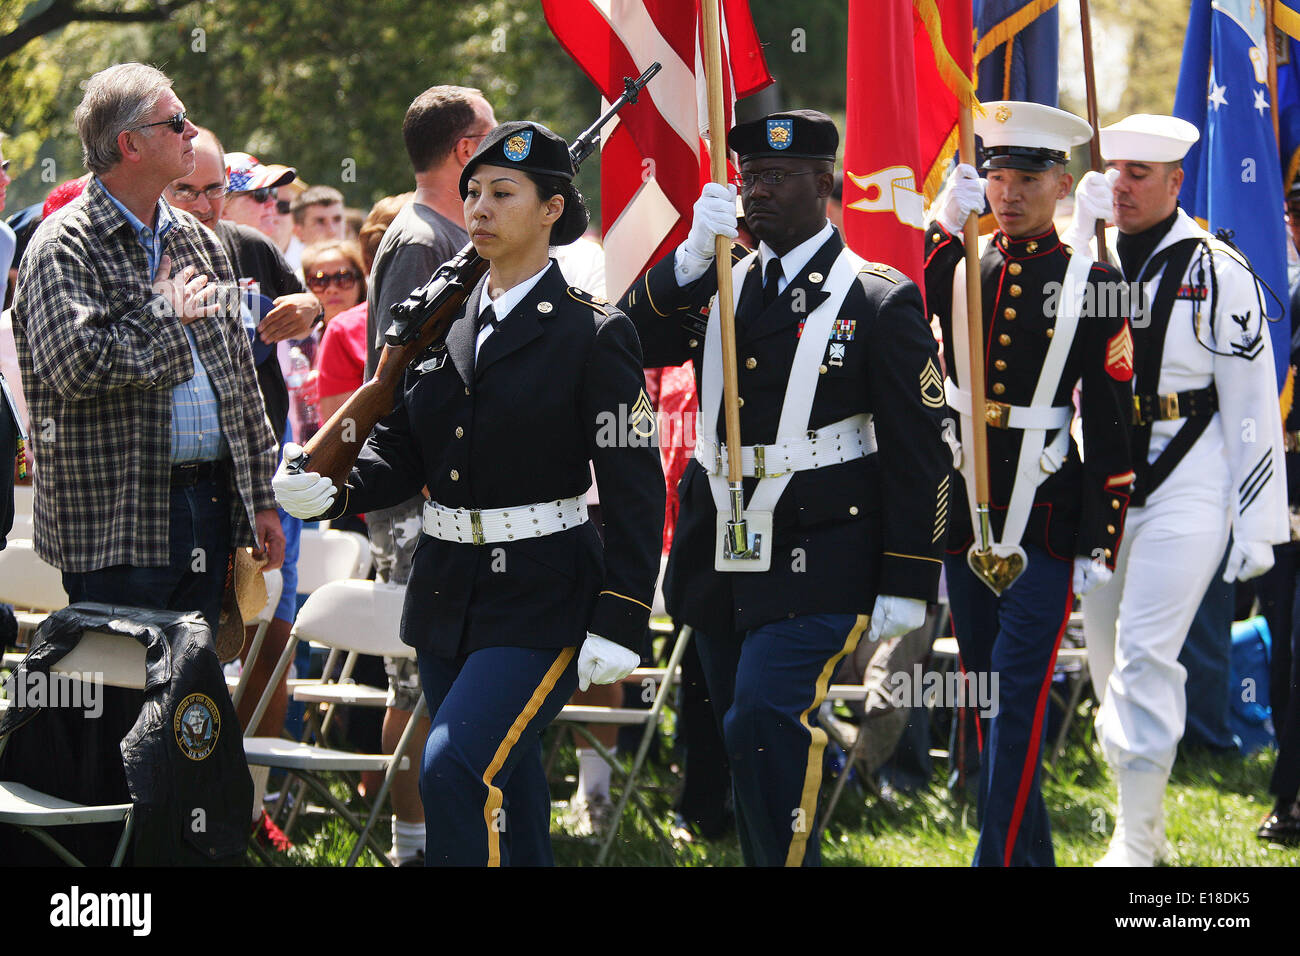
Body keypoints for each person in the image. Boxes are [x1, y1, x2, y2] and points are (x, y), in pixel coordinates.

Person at [274, 120, 664, 866]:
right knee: (509, 792)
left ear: (552, 210)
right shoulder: (442, 327)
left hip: (544, 596)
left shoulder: (593, 334)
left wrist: (623, 616)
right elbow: (404, 446)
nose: (479, 208)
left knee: (452, 768)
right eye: (473, 192)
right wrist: (334, 492)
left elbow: (633, 486)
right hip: (450, 593)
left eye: (503, 193)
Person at [618, 109, 950, 866]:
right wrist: (688, 258)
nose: (755, 193)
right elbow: (628, 334)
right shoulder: (718, 283)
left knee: (762, 717)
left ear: (823, 183)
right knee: (743, 733)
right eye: (748, 178)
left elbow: (922, 449)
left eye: (775, 178)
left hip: (823, 545)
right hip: (723, 548)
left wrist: (910, 572)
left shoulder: (878, 299)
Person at [1069, 113, 1289, 866]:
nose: (1122, 187)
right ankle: (1147, 824)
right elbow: (1055, 349)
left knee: (1143, 656)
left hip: (1189, 479)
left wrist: (1258, 524)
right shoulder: (1092, 256)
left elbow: (1253, 397)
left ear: (1174, 183)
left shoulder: (1217, 270)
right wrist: (1075, 244)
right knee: (1106, 662)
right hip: (1102, 481)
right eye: (1115, 171)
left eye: (1139, 175)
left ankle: (1132, 841)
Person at [923, 102, 1135, 866]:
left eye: (1028, 178)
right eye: (998, 177)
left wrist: (1100, 538)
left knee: (1016, 701)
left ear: (1064, 183)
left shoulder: (1096, 280)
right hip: (967, 512)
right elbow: (922, 313)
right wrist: (942, 227)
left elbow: (1115, 419)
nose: (1009, 194)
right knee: (985, 702)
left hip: (1045, 519)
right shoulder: (964, 260)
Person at [11, 62, 283, 636]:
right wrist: (164, 315)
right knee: (121, 713)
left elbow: (237, 379)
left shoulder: (196, 240)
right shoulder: (63, 244)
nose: (192, 132)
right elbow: (77, 367)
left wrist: (261, 499)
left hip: (209, 508)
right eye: (176, 121)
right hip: (118, 524)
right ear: (129, 143)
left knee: (188, 709)